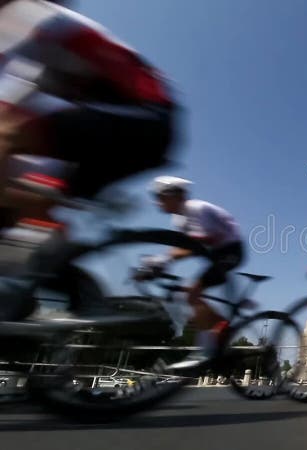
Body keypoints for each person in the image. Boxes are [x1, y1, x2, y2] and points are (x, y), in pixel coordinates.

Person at [0, 0, 176, 321]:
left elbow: (12, 110)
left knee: (8, 136)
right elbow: (22, 94)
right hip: (125, 123)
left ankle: (23, 285)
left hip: (145, 116)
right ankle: (68, 286)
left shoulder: (24, 12)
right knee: (33, 196)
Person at [146, 176, 243, 368]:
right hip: (215, 253)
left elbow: (197, 244)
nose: (158, 202)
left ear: (175, 195)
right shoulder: (179, 218)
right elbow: (184, 247)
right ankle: (221, 327)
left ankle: (206, 350)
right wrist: (161, 263)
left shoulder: (196, 209)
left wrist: (162, 260)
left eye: (161, 197)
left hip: (230, 250)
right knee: (189, 297)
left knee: (192, 293)